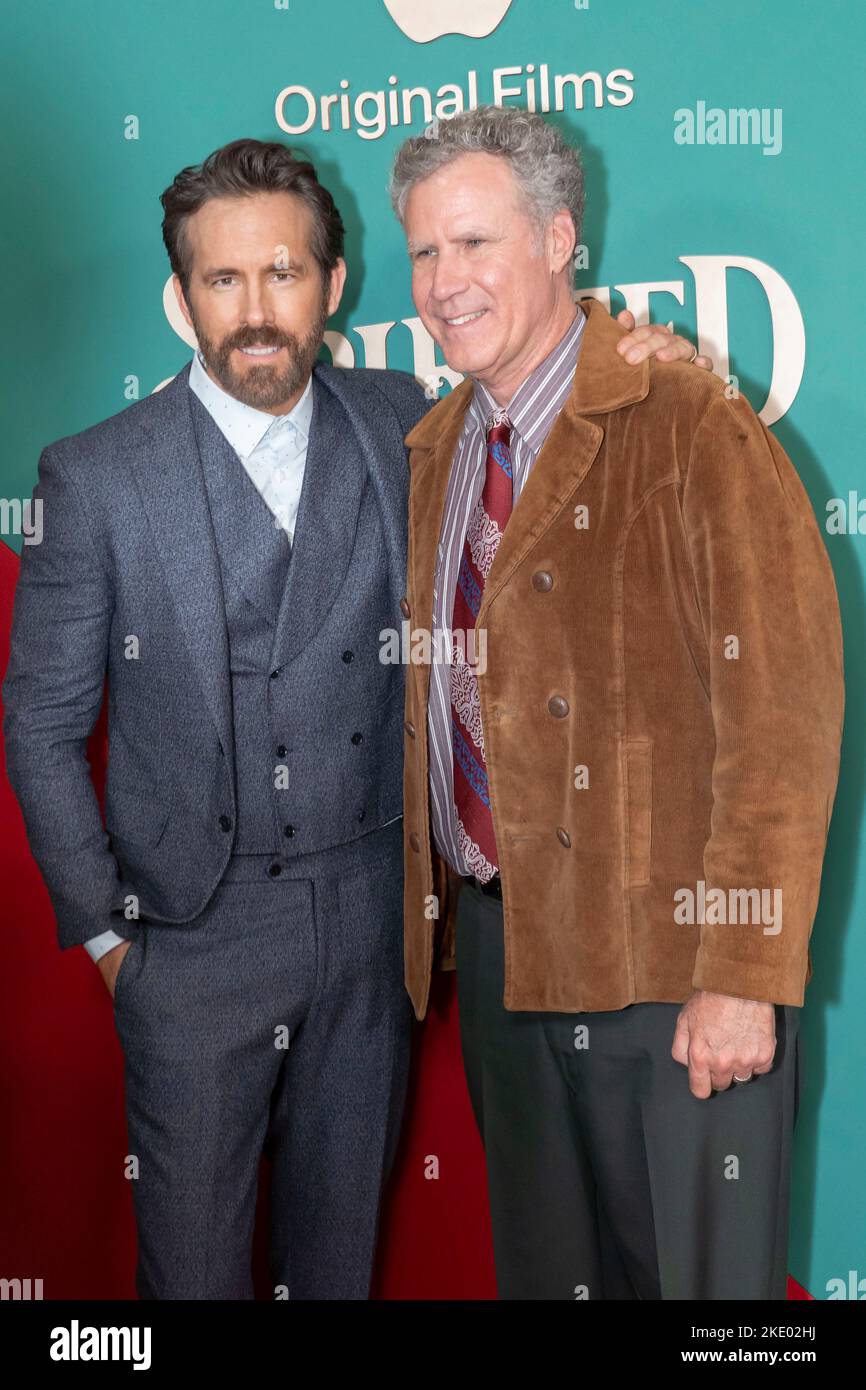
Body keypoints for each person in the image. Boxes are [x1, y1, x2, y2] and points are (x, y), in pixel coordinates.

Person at [2, 136, 703, 1301]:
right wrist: (112, 942)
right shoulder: (95, 476)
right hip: (187, 942)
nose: (256, 309)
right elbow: (39, 723)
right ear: (181, 300)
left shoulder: (406, 419)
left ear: (334, 285)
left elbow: (544, 403)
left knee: (337, 1267)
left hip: (371, 932)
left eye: (283, 273)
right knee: (193, 1277)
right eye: (222, 281)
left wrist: (653, 359)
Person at [391, 105, 844, 1300]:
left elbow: (781, 718)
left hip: (671, 969)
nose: (446, 283)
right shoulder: (434, 449)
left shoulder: (688, 418)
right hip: (503, 964)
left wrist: (741, 968)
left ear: (556, 239)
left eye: (476, 244)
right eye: (426, 252)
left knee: (710, 1307)